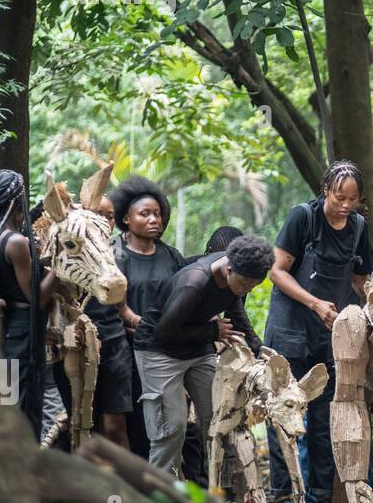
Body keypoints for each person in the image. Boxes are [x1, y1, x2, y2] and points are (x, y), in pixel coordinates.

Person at [266, 162, 373, 503]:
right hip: (290, 329)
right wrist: (313, 302)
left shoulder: (358, 227)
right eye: (339, 197)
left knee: (328, 414)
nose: (345, 205)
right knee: (286, 412)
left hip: (331, 335)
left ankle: (320, 499)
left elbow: (362, 279)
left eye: (353, 199)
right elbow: (277, 270)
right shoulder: (303, 218)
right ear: (325, 189)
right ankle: (285, 499)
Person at [132, 235, 272, 474]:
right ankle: (162, 496)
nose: (248, 289)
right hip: (158, 351)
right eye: (246, 284)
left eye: (254, 286)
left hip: (196, 349)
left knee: (221, 418)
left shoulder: (235, 277)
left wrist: (260, 351)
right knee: (171, 427)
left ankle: (224, 494)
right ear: (229, 270)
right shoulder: (194, 283)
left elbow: (238, 315)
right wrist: (212, 330)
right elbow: (163, 331)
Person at [110, 176, 189, 459]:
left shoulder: (171, 256)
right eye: (145, 214)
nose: (154, 219)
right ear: (126, 219)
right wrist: (140, 326)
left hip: (167, 353)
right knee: (132, 421)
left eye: (157, 213)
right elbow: (114, 306)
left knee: (164, 421)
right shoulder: (115, 255)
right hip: (126, 353)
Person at [0, 169, 56, 436]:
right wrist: (62, 265)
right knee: (22, 405)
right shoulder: (16, 243)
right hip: (23, 330)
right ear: (15, 201)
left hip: (11, 328)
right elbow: (37, 298)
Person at [81, 195, 134, 448]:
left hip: (114, 345)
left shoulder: (120, 254)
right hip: (79, 346)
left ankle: (121, 487)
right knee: (83, 424)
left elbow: (122, 308)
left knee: (115, 427)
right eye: (99, 214)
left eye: (110, 216)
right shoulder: (69, 250)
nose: (105, 221)